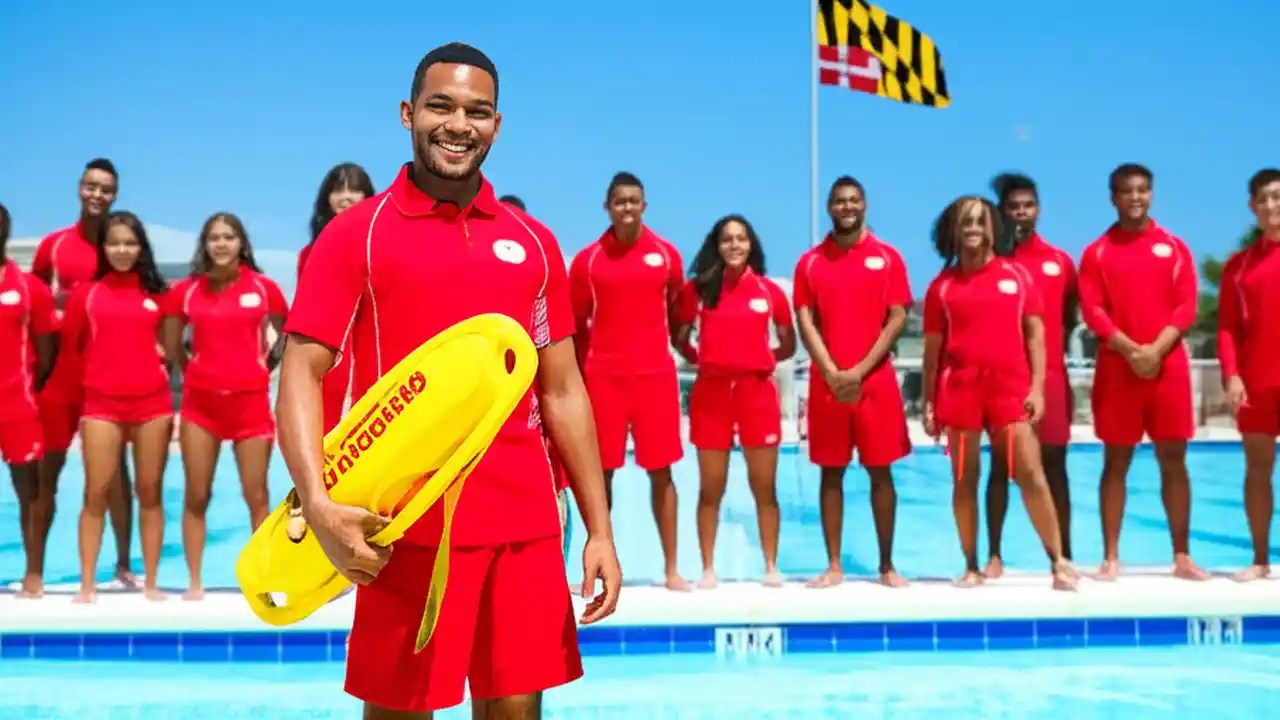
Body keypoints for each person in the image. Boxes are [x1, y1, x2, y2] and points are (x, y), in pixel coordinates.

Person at [277, 42, 620, 718]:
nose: (458, 123)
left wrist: (600, 529)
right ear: (408, 113)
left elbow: (562, 390)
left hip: (522, 522)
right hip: (402, 527)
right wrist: (317, 504)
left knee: (516, 712)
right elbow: (300, 369)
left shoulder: (535, 241)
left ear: (497, 125)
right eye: (441, 106)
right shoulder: (356, 235)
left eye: (477, 111)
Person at [921, 196, 1077, 591]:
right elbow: (933, 352)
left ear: (993, 228)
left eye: (980, 221)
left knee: (1030, 474)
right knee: (963, 478)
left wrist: (1037, 388)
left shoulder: (1017, 276)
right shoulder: (942, 287)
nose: (973, 228)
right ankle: (971, 565)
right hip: (960, 390)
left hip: (1009, 388)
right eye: (966, 222)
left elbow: (1037, 334)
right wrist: (928, 402)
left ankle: (1058, 561)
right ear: (954, 230)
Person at [1078, 163, 1206, 581]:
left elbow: (1186, 305)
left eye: (1143, 190)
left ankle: (1182, 555)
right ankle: (1111, 556)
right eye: (1127, 191)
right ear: (1113, 197)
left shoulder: (1174, 247)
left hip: (1167, 369)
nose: (1136, 198)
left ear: (1151, 194)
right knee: (1116, 460)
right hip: (1119, 370)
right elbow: (1093, 310)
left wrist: (1155, 349)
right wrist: (1131, 350)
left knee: (1174, 459)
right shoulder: (1097, 252)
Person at [569, 171, 688, 590]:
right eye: (620, 201)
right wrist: (581, 377)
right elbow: (576, 326)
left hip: (654, 378)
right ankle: (601, 566)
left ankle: (672, 569)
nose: (627, 208)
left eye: (634, 201)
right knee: (601, 475)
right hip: (605, 379)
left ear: (644, 205)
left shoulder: (667, 255)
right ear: (607, 207)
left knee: (662, 472)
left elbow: (678, 314)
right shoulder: (588, 261)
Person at [792, 176, 912, 589]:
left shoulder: (888, 258)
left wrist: (859, 371)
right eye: (840, 201)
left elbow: (898, 315)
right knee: (832, 473)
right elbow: (804, 317)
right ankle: (833, 565)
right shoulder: (810, 262)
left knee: (881, 473)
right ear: (829, 207)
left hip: (874, 382)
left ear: (865, 205)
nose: (847, 207)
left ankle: (887, 565)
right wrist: (829, 369)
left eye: (854, 200)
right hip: (828, 383)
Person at [163, 212, 289, 600]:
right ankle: (195, 582)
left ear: (241, 243)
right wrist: (193, 370)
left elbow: (285, 330)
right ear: (205, 245)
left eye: (228, 236)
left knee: (257, 497)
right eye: (213, 237)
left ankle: (263, 581)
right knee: (196, 495)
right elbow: (171, 343)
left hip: (250, 406)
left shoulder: (264, 288)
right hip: (202, 409)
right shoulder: (186, 290)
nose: (221, 244)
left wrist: (264, 365)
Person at [29, 158, 137, 595]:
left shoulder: (120, 244)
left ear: (115, 195)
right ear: (79, 189)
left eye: (106, 189)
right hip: (60, 379)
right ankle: (34, 570)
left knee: (117, 476)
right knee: (45, 474)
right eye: (91, 186)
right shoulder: (53, 247)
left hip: (109, 380)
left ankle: (125, 566)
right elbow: (34, 302)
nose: (97, 194)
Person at [672, 214, 795, 588]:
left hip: (756, 394)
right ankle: (708, 568)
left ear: (751, 244)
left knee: (764, 488)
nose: (734, 245)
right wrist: (705, 360)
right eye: (727, 240)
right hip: (712, 394)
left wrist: (757, 361)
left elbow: (787, 343)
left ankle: (771, 565)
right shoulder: (698, 291)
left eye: (741, 239)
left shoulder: (768, 292)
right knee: (711, 488)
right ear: (717, 245)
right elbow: (679, 338)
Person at [65, 211, 173, 602]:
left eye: (130, 243)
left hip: (153, 405)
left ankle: (153, 583)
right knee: (96, 492)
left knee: (150, 492)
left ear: (141, 247)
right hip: (101, 406)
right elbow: (72, 349)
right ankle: (88, 585)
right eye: (114, 244)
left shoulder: (159, 295)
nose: (122, 250)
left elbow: (173, 347)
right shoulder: (87, 295)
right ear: (103, 248)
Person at [984, 173, 1077, 578]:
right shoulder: (994, 262)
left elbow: (1069, 317)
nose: (1022, 212)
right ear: (1002, 212)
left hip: (1052, 377)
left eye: (1028, 205)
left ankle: (1063, 555)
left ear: (1038, 209)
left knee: (1055, 465)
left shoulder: (1060, 262)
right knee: (1001, 466)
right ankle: (994, 555)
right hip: (1004, 379)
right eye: (1014, 206)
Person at [1217, 167, 1280, 582]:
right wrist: (1231, 374)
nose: (1272, 206)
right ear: (1252, 207)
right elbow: (1226, 327)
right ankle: (1260, 560)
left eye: (1278, 197)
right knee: (1257, 471)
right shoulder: (1239, 266)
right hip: (1257, 383)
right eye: (1265, 199)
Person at [0, 202, 59, 598]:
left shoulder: (28, 287)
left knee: (30, 492)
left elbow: (48, 349)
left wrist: (25, 388)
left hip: (17, 404)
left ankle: (33, 572)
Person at [297, 162, 376, 435]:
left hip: (372, 358)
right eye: (338, 190)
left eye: (355, 190)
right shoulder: (309, 254)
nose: (346, 197)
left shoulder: (382, 246)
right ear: (326, 198)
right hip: (329, 364)